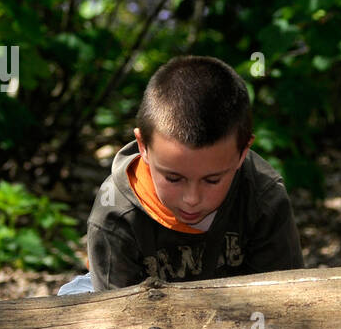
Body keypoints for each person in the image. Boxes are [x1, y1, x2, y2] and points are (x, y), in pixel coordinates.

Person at [58, 55, 304, 294]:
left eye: (212, 180)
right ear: (143, 146)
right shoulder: (115, 212)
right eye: (174, 179)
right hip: (142, 315)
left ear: (242, 153)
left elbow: (281, 298)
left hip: (232, 312)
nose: (192, 198)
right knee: (74, 300)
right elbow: (115, 319)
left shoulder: (264, 196)